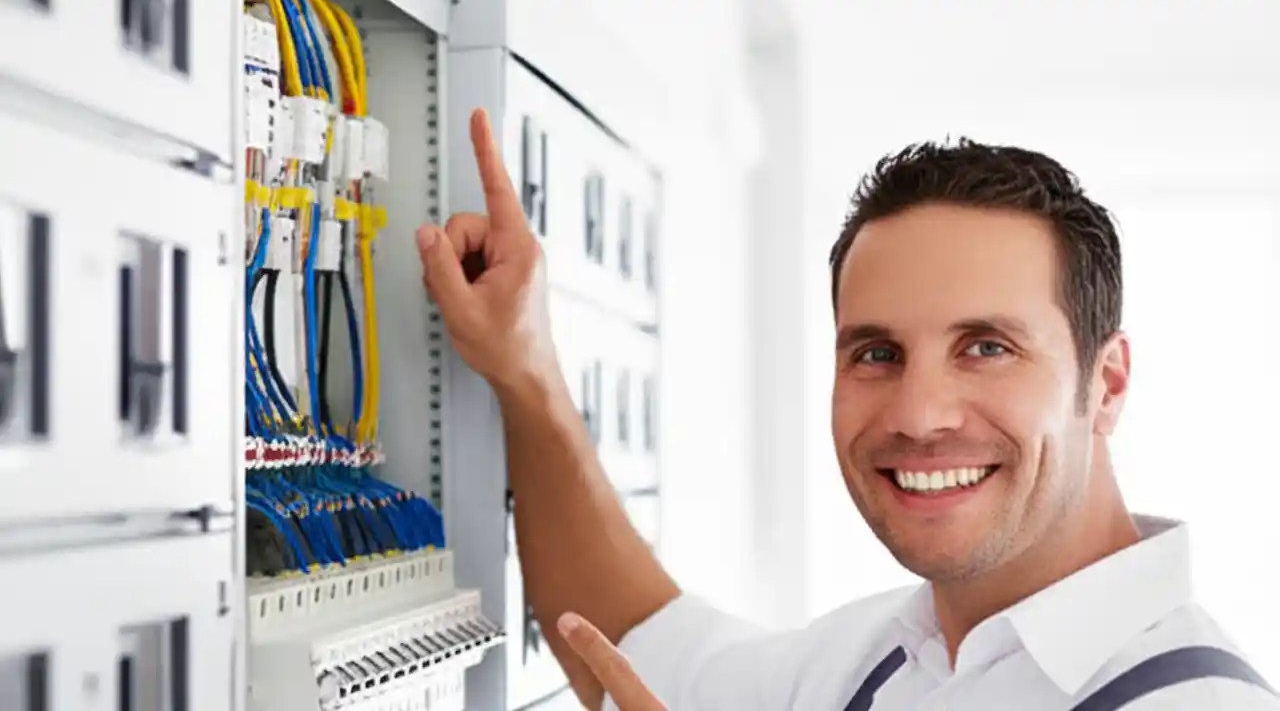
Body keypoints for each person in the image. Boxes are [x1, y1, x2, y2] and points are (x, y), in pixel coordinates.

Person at [415, 109, 1278, 710]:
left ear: (1108, 383)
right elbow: (635, 636)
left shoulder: (1193, 702)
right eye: (877, 353)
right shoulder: (885, 663)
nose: (921, 413)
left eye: (987, 347)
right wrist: (523, 369)